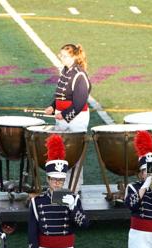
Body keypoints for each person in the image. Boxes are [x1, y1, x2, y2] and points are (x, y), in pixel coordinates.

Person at [43, 43, 90, 188]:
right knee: (62, 151)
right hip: (63, 117)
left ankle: (75, 185)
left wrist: (64, 115)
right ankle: (62, 184)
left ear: (73, 56)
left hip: (76, 119)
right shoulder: (65, 70)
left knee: (75, 152)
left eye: (63, 55)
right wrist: (53, 106)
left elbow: (79, 102)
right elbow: (61, 96)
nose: (60, 57)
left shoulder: (79, 74)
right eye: (60, 55)